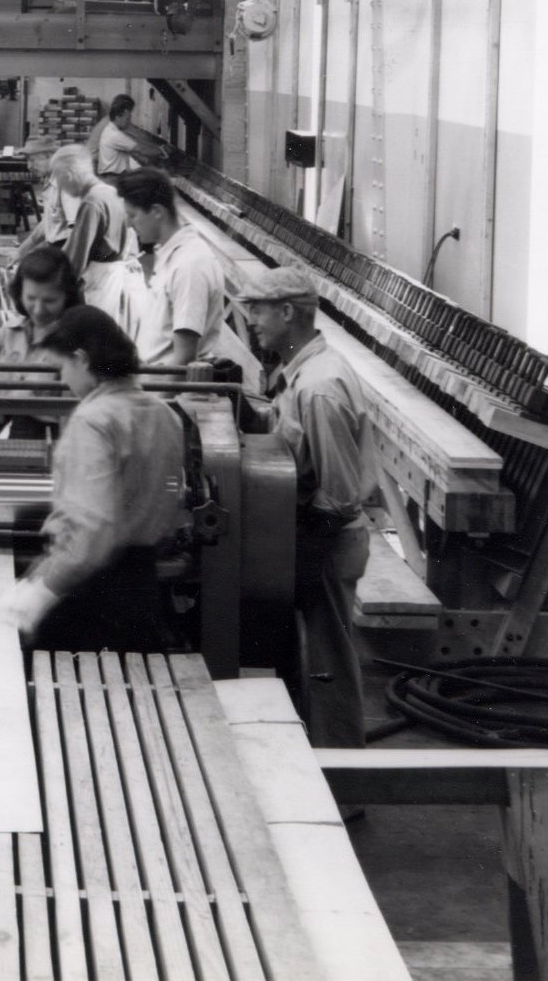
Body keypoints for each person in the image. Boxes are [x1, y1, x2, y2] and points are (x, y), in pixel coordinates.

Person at [240, 262, 373, 749]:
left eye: (256, 309)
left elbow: (337, 496)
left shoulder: (319, 387)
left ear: (288, 311)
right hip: (313, 533)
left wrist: (297, 553)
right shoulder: (297, 375)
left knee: (327, 661)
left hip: (327, 540)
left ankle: (346, 783)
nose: (250, 319)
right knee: (310, 655)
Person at [0, 305, 184, 650]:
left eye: (62, 368)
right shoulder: (165, 415)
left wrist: (41, 591)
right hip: (142, 585)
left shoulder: (93, 421)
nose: (64, 381)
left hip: (88, 593)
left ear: (82, 359)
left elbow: (93, 530)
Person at [115, 168, 242, 373]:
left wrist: (153, 401)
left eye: (133, 215)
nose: (130, 224)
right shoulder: (170, 254)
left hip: (165, 391)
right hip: (152, 379)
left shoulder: (189, 265)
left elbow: (183, 359)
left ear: (157, 211)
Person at [0, 245, 81, 441]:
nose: (39, 310)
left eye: (50, 300)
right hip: (20, 440)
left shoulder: (76, 340)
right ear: (19, 293)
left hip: (60, 442)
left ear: (67, 296)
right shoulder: (8, 335)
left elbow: (76, 421)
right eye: (31, 298)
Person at [48, 144, 141, 337]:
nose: (60, 186)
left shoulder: (92, 202)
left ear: (69, 176)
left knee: (94, 342)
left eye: (59, 178)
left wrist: (49, 286)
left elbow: (75, 260)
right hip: (117, 275)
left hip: (101, 282)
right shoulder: (110, 192)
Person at [94, 94, 167, 178]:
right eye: (127, 119)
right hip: (112, 178)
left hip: (111, 176)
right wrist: (163, 151)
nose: (129, 122)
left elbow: (134, 151)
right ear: (118, 116)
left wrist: (146, 161)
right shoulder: (115, 135)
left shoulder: (112, 129)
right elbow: (141, 149)